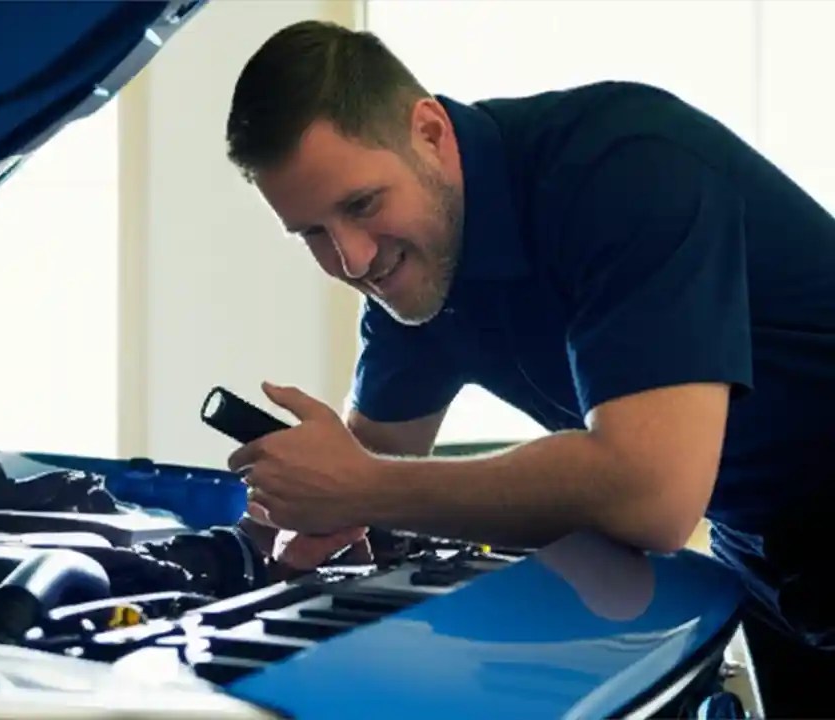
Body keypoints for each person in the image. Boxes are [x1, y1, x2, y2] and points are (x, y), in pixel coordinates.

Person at [221, 20, 835, 717]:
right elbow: (375, 468)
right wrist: (295, 518)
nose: (353, 259)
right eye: (313, 235)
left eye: (361, 205)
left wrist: (361, 488)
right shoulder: (415, 274)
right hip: (764, 554)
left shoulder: (627, 166)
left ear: (428, 131)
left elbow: (652, 495)